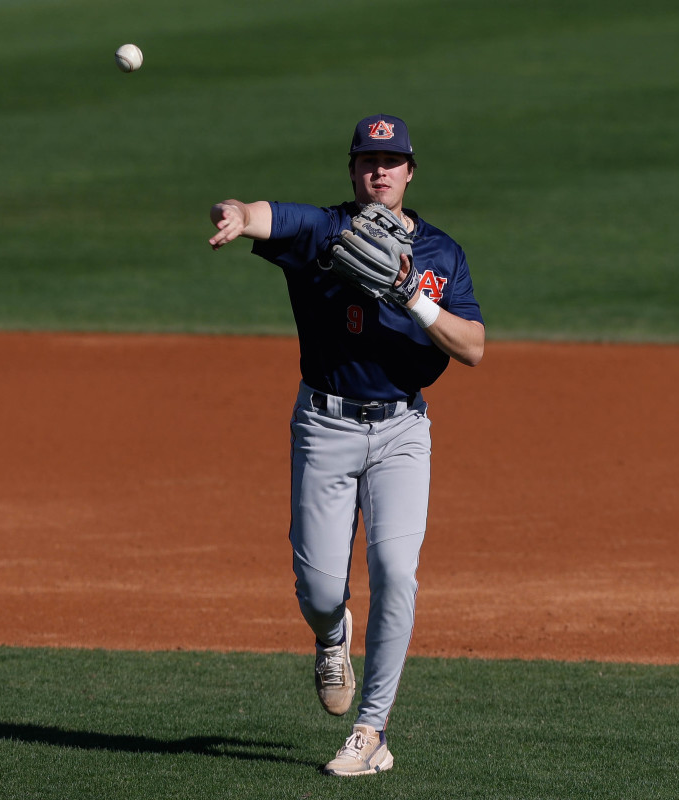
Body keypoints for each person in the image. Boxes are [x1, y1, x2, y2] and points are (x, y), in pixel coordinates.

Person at [207, 114, 485, 776]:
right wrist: (237, 215)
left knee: (395, 572)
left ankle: (372, 730)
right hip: (324, 427)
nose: (379, 171)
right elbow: (266, 214)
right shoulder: (323, 233)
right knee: (319, 589)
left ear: (410, 172)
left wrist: (411, 297)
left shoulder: (441, 253)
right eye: (367, 160)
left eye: (391, 161)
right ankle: (332, 636)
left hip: (401, 431)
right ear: (353, 170)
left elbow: (473, 346)